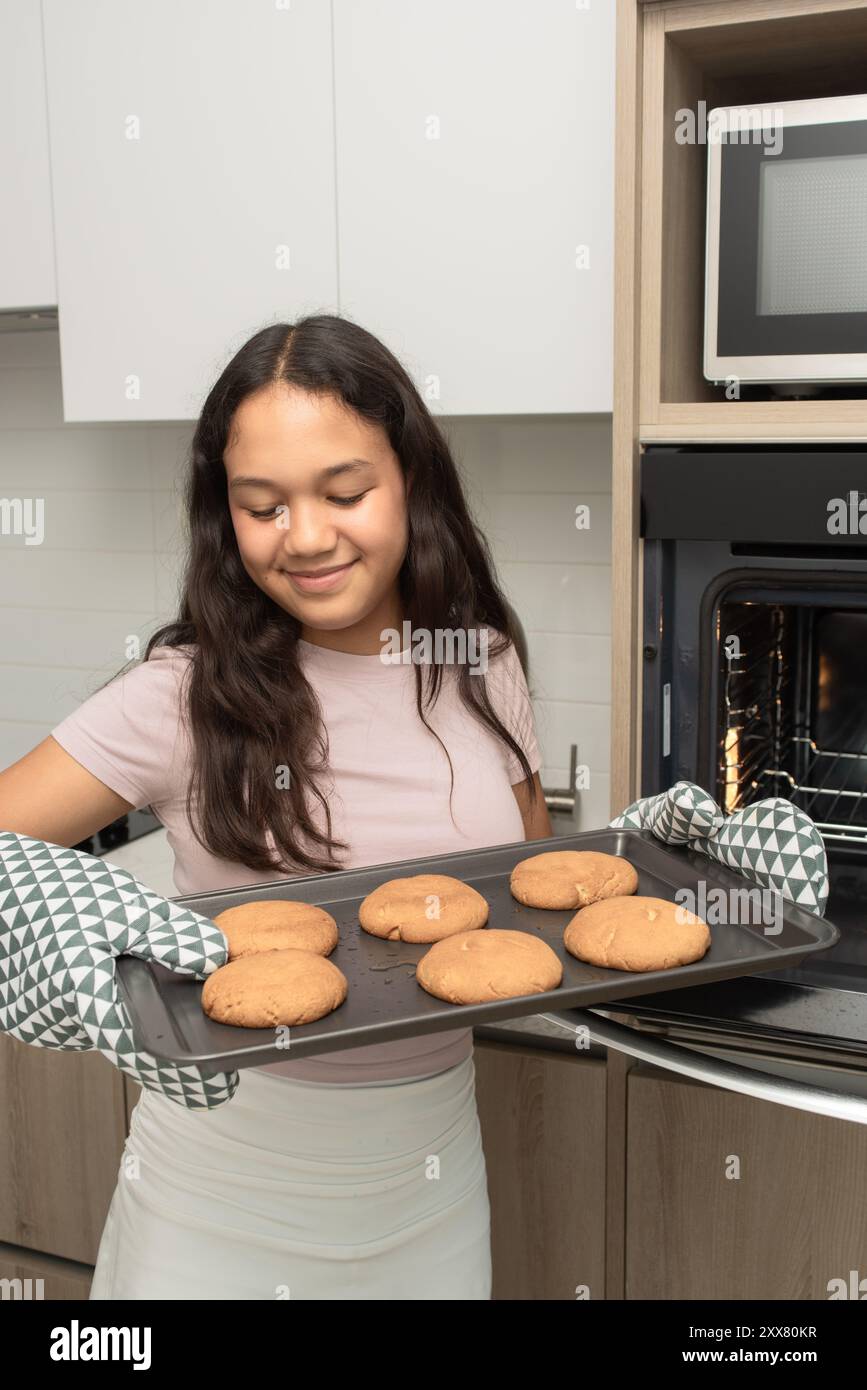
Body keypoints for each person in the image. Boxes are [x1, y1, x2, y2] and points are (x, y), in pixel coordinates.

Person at [0, 313, 551, 1300]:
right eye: (262, 506)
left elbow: (527, 878)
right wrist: (68, 946)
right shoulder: (183, 696)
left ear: (412, 480)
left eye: (346, 492)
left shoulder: (479, 663)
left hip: (430, 1186)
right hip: (221, 1197)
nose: (305, 537)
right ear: (225, 515)